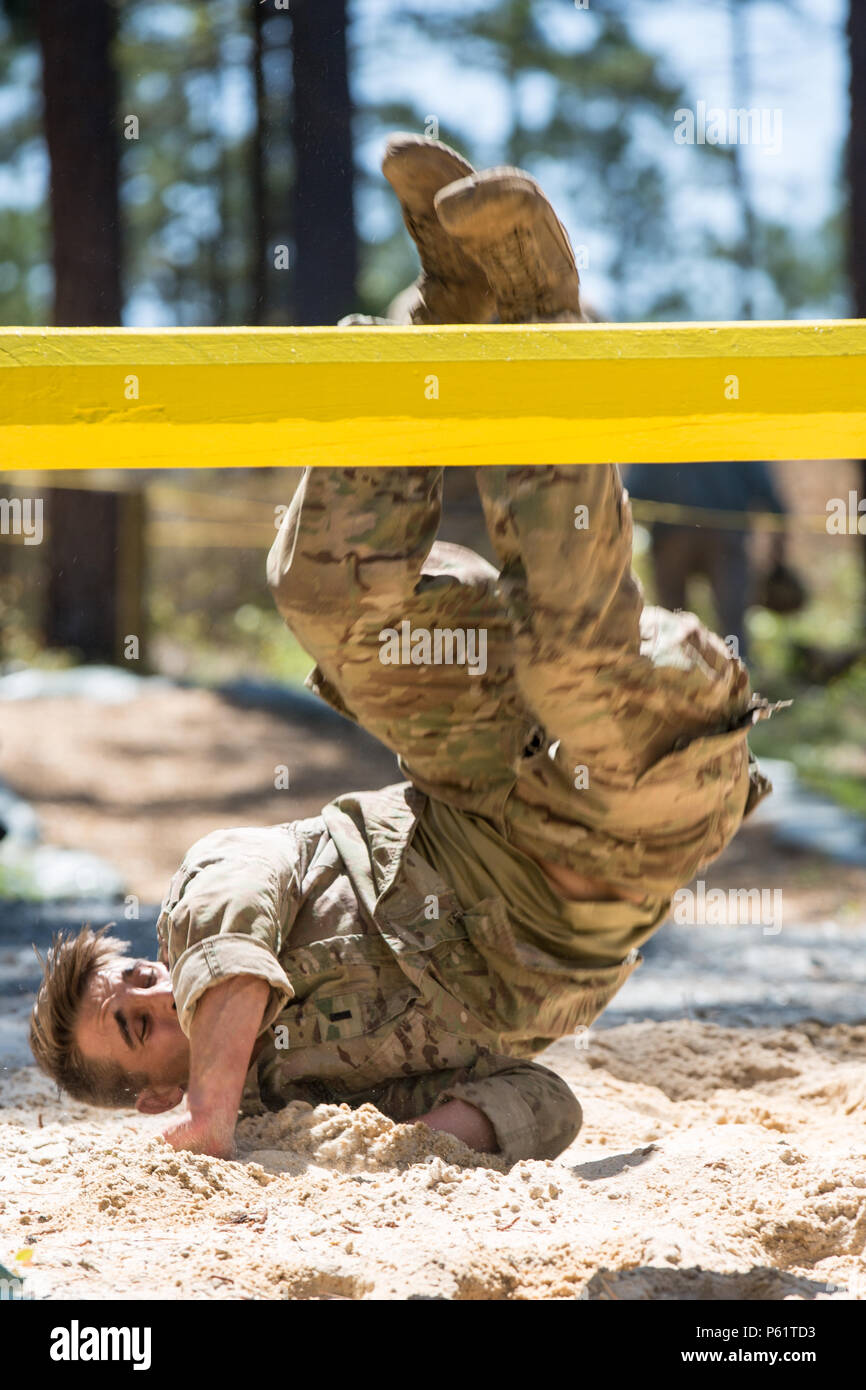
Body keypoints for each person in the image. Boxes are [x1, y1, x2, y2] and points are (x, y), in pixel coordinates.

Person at [29, 135, 782, 1167]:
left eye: (137, 975)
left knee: (328, 602)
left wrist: (210, 1098)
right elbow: (540, 1099)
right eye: (136, 1022)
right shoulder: (311, 1101)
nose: (161, 985)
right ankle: (534, 310)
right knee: (574, 667)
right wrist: (417, 1144)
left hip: (468, 785)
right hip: (616, 839)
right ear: (146, 1088)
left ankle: (440, 325)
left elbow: (238, 890)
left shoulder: (212, 896)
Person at [625, 460, 790, 663]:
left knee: (672, 620)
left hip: (674, 540)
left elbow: (632, 492)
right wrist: (779, 543)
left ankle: (677, 675)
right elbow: (765, 488)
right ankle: (737, 675)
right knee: (730, 621)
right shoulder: (735, 437)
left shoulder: (660, 439)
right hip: (720, 538)